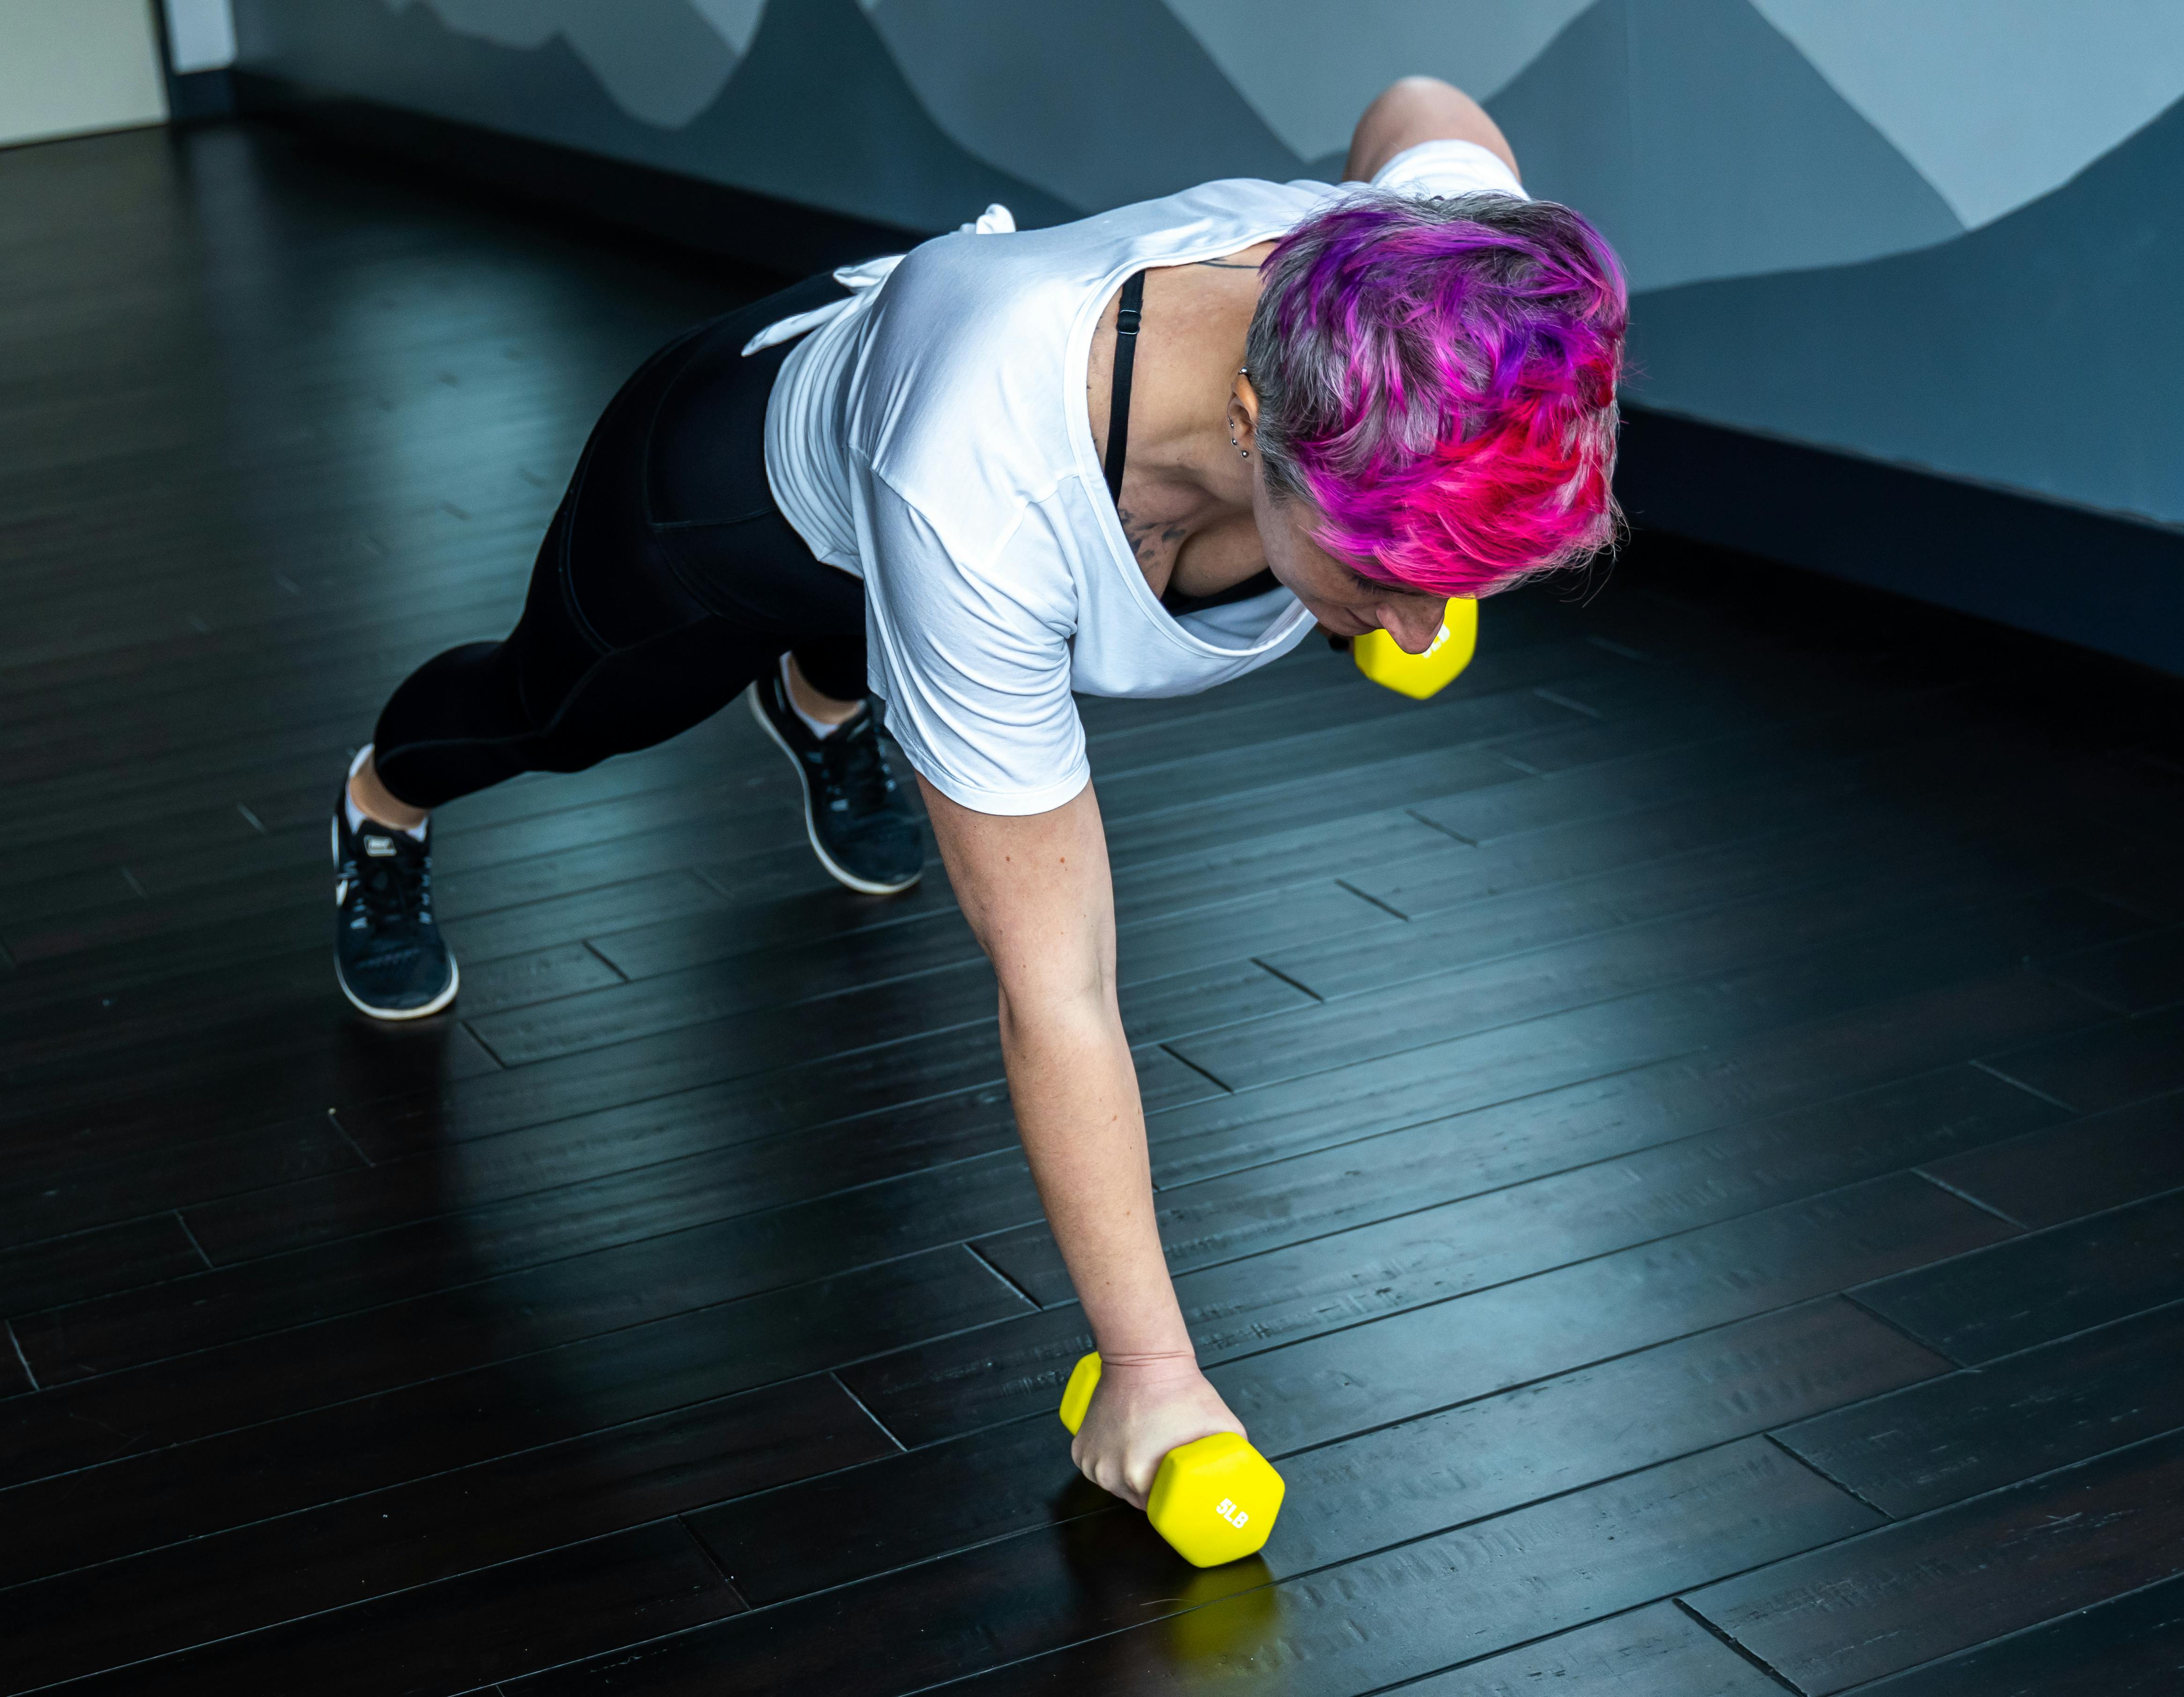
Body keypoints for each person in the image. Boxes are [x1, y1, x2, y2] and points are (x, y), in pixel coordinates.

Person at [328, 77, 1625, 1514]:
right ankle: (382, 806)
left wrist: (1409, 558)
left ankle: (828, 703)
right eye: (1384, 579)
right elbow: (1054, 988)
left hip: (917, 451)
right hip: (726, 495)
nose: (1408, 621)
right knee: (556, 716)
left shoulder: (1441, 286)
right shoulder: (978, 490)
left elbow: (1423, 102)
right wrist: (1148, 1374)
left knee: (902, 654)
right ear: (1261, 416)